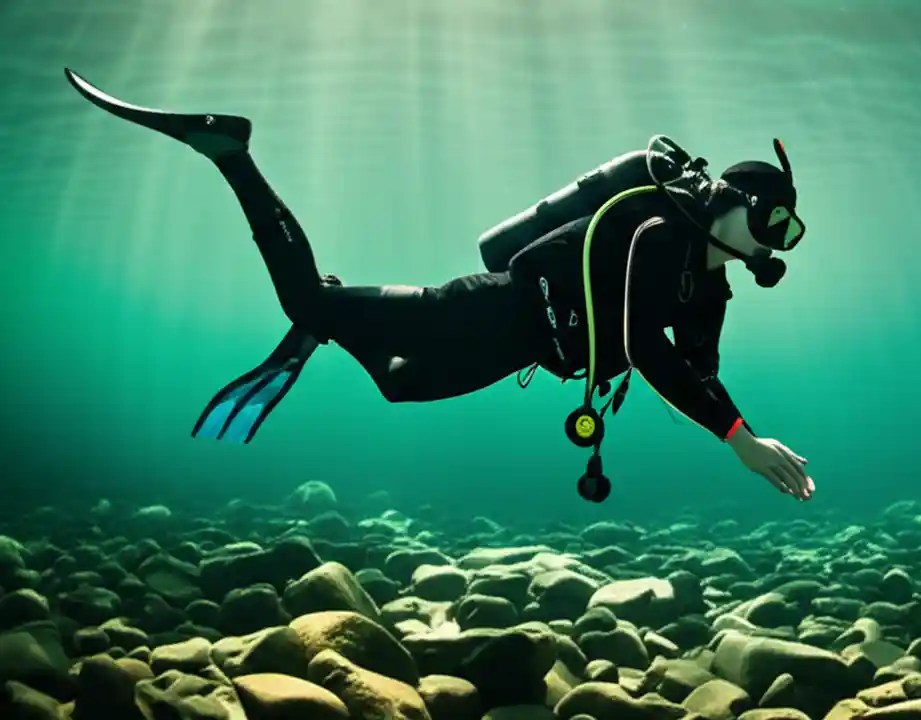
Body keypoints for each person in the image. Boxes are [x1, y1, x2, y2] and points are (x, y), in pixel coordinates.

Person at [64, 68, 815, 503]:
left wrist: (720, 404)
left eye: (790, 233)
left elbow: (693, 366)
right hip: (490, 306)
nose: (779, 241)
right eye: (774, 220)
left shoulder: (709, 289)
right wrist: (739, 439)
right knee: (305, 306)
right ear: (731, 202)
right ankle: (231, 151)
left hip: (521, 351)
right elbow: (643, 348)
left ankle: (333, 308)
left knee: (398, 385)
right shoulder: (655, 228)